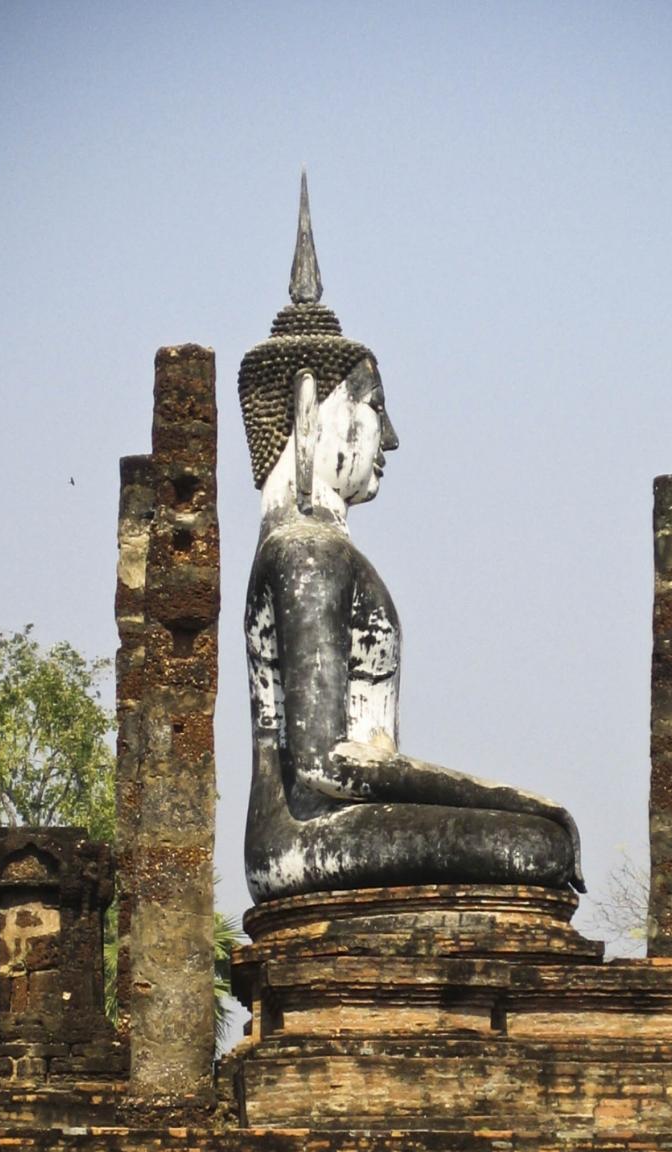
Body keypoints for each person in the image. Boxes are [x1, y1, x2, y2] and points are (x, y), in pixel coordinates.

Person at [239, 176, 582, 903]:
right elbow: (325, 766)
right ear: (314, 413)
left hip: (337, 825)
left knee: (534, 839)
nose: (387, 437)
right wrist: (501, 799)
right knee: (533, 844)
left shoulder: (313, 550)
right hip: (303, 836)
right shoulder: (306, 552)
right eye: (373, 408)